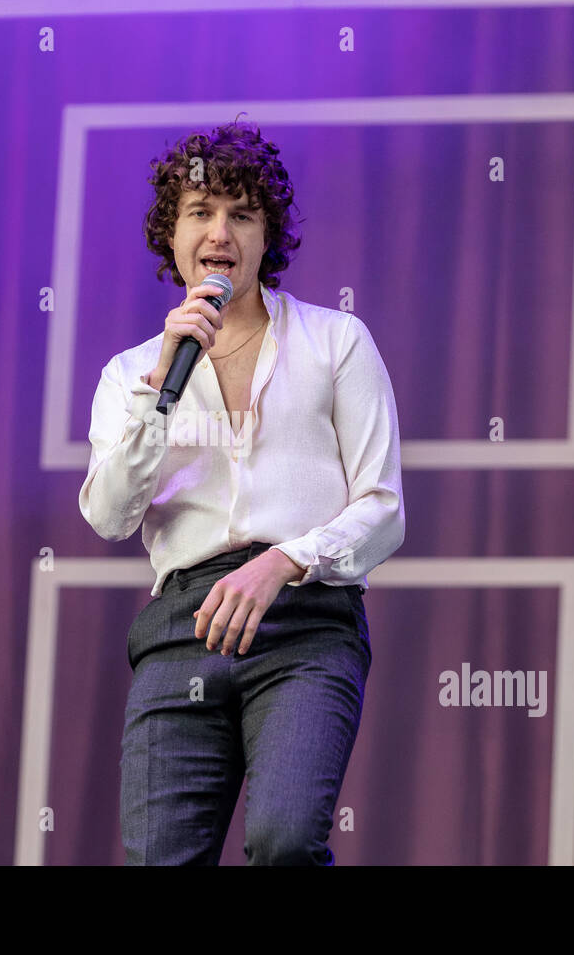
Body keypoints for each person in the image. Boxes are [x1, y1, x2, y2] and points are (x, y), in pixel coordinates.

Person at [78, 119, 404, 865]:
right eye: (200, 211)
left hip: (306, 625)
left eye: (242, 213)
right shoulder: (132, 374)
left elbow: (383, 511)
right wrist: (163, 383)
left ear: (267, 235)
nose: (220, 231)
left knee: (284, 840)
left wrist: (283, 560)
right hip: (180, 630)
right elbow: (107, 514)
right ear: (172, 235)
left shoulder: (337, 342)